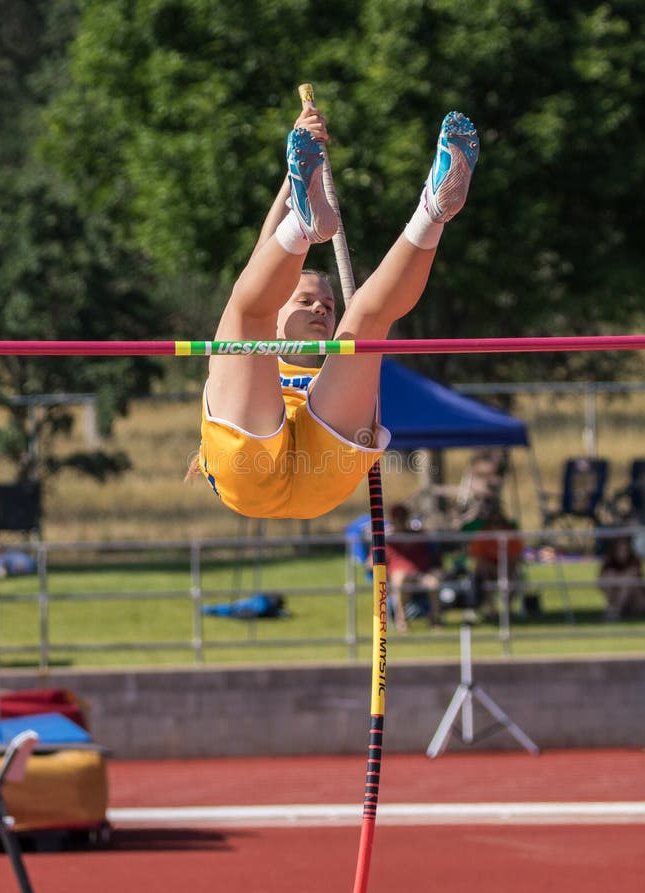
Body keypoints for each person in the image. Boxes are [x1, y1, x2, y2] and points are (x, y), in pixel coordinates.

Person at [189, 102, 479, 519]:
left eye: (326, 304)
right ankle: (416, 216)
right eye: (305, 300)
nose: (321, 309)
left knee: (363, 321)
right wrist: (293, 183)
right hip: (272, 473)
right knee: (250, 311)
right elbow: (259, 269)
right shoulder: (254, 350)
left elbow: (260, 289)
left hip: (302, 472)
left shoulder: (330, 367)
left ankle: (433, 210)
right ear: (279, 312)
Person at [384, 503, 443, 632]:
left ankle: (435, 620)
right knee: (400, 580)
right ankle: (402, 621)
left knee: (433, 583)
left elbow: (434, 555)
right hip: (398, 576)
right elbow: (371, 562)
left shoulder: (418, 535)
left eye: (402, 517)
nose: (400, 520)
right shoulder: (386, 539)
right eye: (397, 518)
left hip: (419, 574)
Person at [463, 493, 524, 617]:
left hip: (507, 567)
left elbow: (516, 555)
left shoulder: (509, 532)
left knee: (515, 576)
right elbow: (478, 559)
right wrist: (494, 569)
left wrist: (506, 569)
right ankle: (492, 611)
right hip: (488, 569)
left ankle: (507, 611)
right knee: (484, 576)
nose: (496, 523)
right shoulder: (483, 533)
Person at [598, 536, 645, 621]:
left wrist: (620, 577)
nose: (622, 552)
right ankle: (614, 609)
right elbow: (602, 579)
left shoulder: (634, 560)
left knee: (628, 579)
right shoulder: (610, 561)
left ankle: (614, 610)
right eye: (620, 549)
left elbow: (633, 574)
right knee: (609, 577)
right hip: (617, 595)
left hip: (637, 600)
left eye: (625, 549)